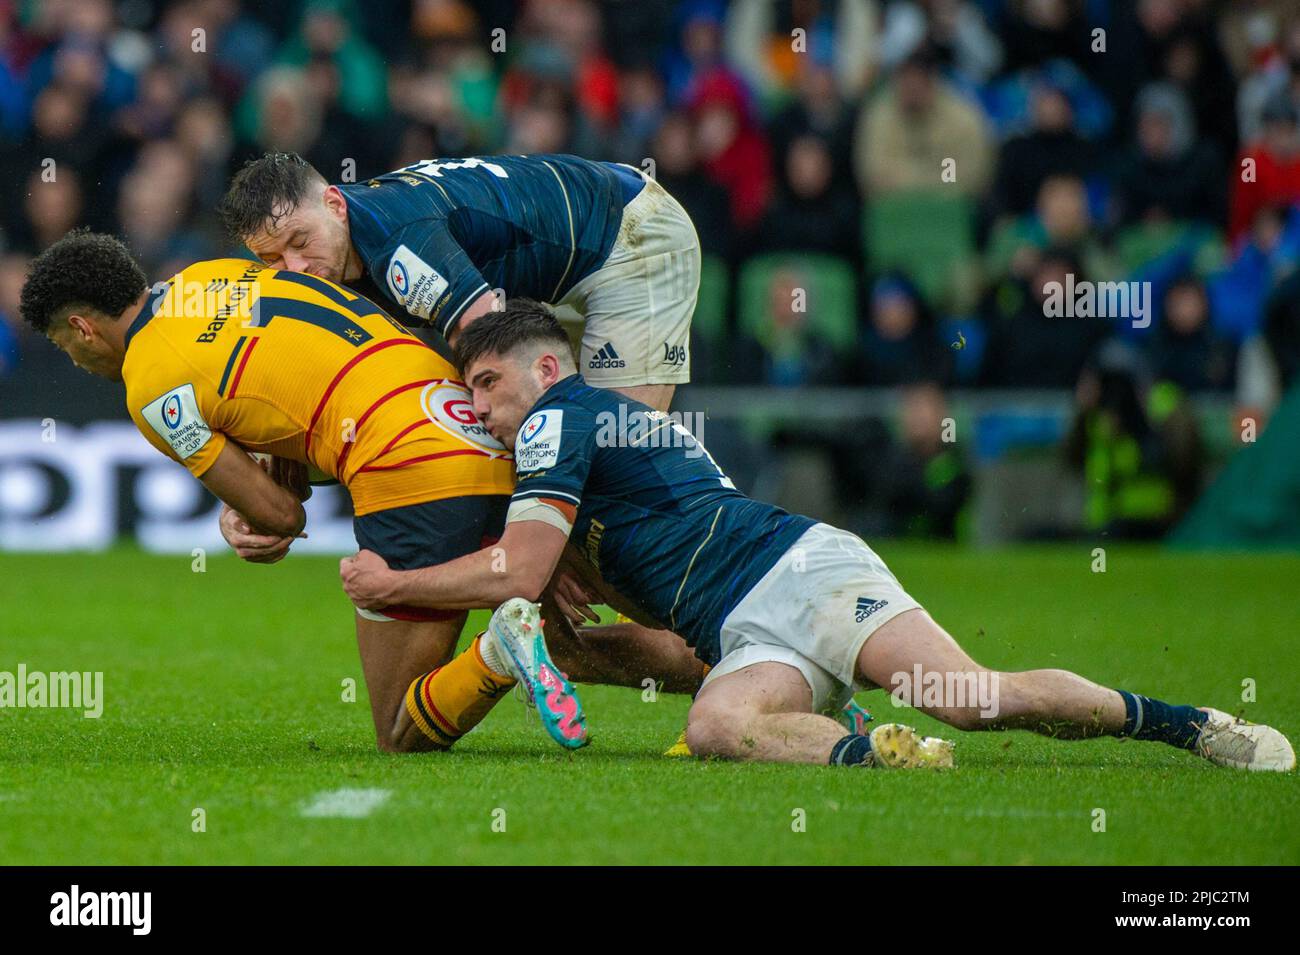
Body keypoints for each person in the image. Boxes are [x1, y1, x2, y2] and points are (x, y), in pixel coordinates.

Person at [341, 300, 1295, 772]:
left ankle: (1194, 727)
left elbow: (520, 561)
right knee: (713, 725)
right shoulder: (576, 436)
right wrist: (547, 595)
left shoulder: (562, 414)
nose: (479, 409)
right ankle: (867, 749)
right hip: (743, 630)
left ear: (546, 365)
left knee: (971, 699)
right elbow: (558, 571)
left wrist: (392, 586)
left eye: (489, 386)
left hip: (798, 573)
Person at [18, 231, 705, 755]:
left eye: (63, 344)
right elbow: (294, 382)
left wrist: (243, 519)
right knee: (598, 630)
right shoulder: (208, 278)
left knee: (400, 728)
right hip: (475, 414)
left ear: (81, 326)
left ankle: (499, 646)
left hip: (405, 460)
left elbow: (281, 515)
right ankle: (746, 671)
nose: (74, 360)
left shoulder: (149, 383)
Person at [218, 150, 700, 414]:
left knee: (623, 448)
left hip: (628, 236)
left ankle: (731, 562)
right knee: (571, 456)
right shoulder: (340, 256)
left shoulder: (398, 240)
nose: (295, 269)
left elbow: (490, 342)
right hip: (559, 276)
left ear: (336, 204)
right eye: (271, 259)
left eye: (300, 240)